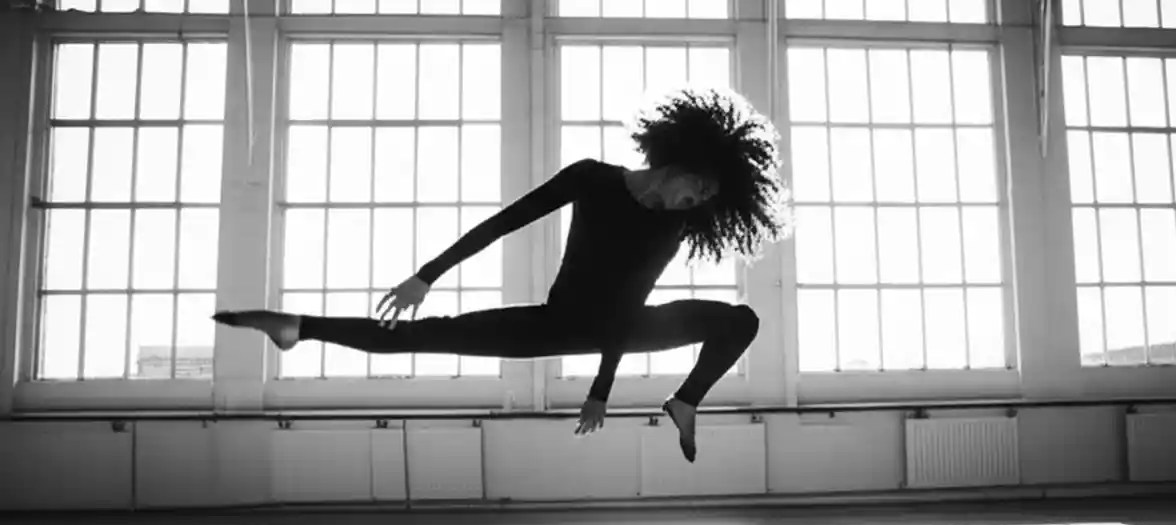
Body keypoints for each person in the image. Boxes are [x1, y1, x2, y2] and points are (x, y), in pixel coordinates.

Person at [215, 87, 790, 463]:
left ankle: (685, 402)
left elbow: (627, 306)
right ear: (681, 161)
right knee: (421, 336)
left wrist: (600, 390)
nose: (697, 201)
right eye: (700, 187)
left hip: (628, 326)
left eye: (707, 200)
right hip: (556, 324)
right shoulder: (592, 179)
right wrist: (426, 275)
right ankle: (297, 327)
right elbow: (502, 224)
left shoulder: (670, 228)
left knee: (740, 321)